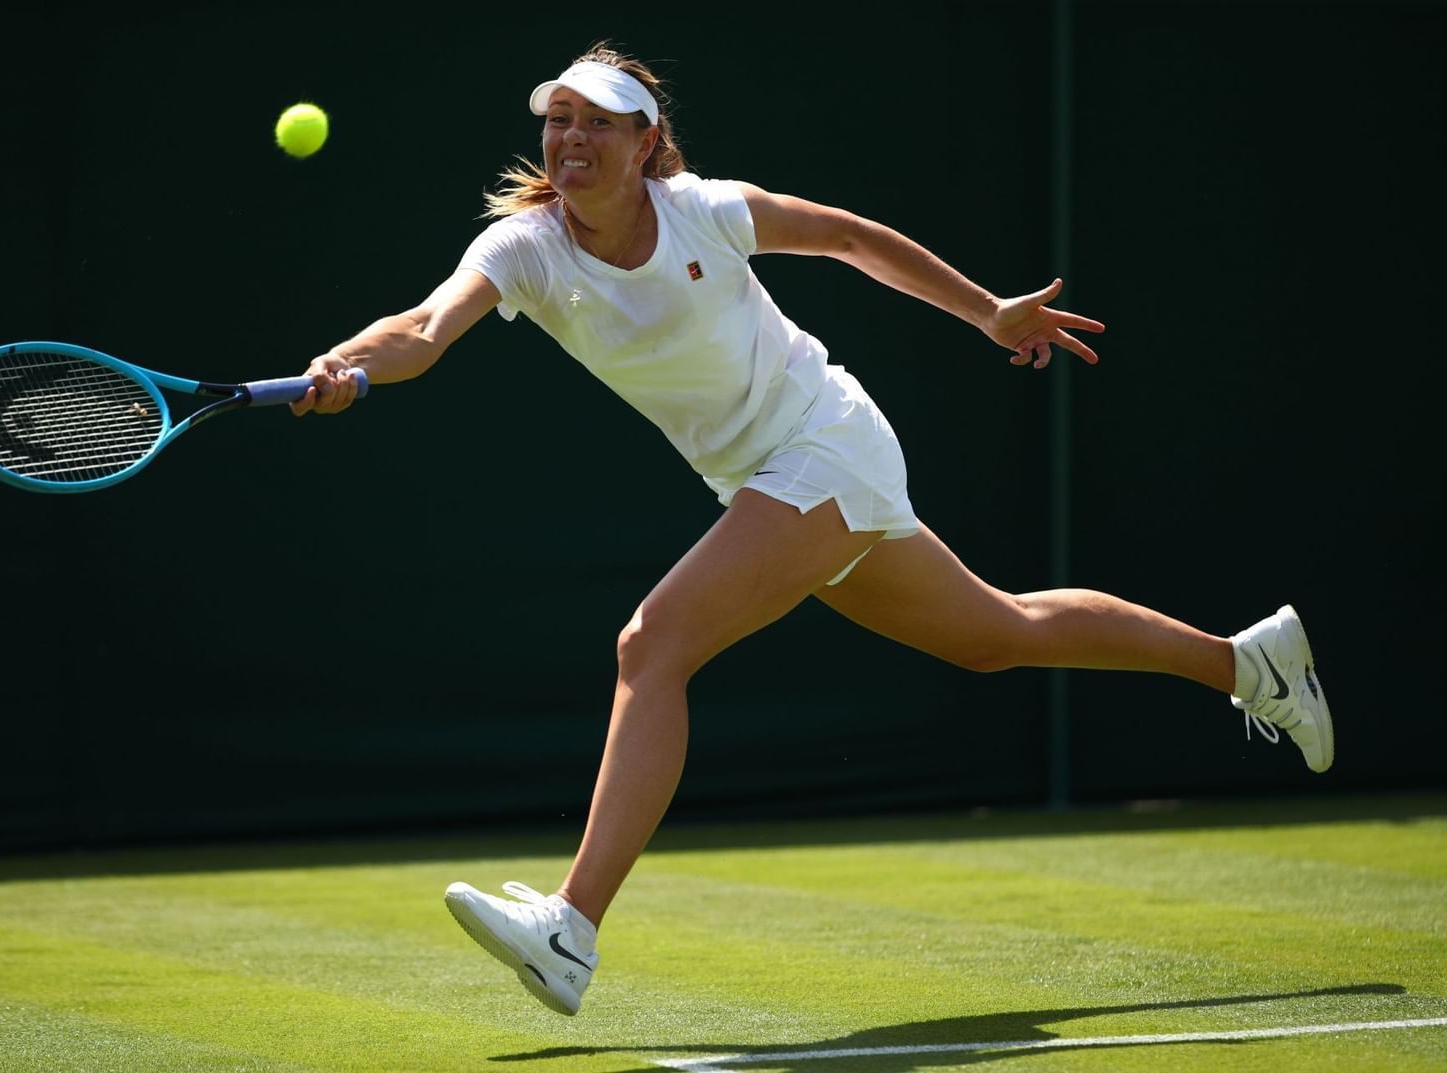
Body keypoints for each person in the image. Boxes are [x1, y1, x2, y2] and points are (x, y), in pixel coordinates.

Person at [290, 44, 1333, 1017]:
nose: (571, 139)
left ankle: (571, 926)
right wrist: (342, 365)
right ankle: (1248, 663)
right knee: (995, 632)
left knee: (653, 644)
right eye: (559, 120)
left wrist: (987, 312)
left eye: (598, 123)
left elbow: (844, 235)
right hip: (756, 472)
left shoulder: (702, 211)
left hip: (824, 438)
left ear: (646, 142)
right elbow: (422, 330)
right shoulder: (522, 248)